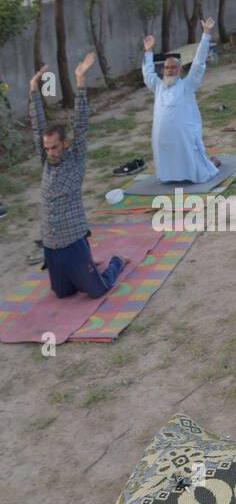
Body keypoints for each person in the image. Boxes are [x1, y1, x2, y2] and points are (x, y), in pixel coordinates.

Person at [30, 52, 125, 299]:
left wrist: (80, 79)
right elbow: (37, 126)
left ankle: (115, 262)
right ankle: (86, 268)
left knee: (97, 290)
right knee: (62, 293)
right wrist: (33, 89)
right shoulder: (46, 162)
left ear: (65, 144)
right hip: (51, 244)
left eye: (55, 147)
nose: (50, 152)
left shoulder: (75, 158)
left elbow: (81, 123)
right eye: (47, 147)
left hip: (73, 240)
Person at [142, 20, 219, 184]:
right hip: (162, 136)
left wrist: (205, 35)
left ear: (180, 70)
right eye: (167, 68)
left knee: (191, 159)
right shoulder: (158, 86)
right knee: (167, 158)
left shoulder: (187, 85)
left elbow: (198, 64)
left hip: (183, 135)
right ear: (163, 70)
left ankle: (206, 166)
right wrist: (148, 52)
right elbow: (148, 74)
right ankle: (170, 177)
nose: (170, 70)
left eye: (174, 68)